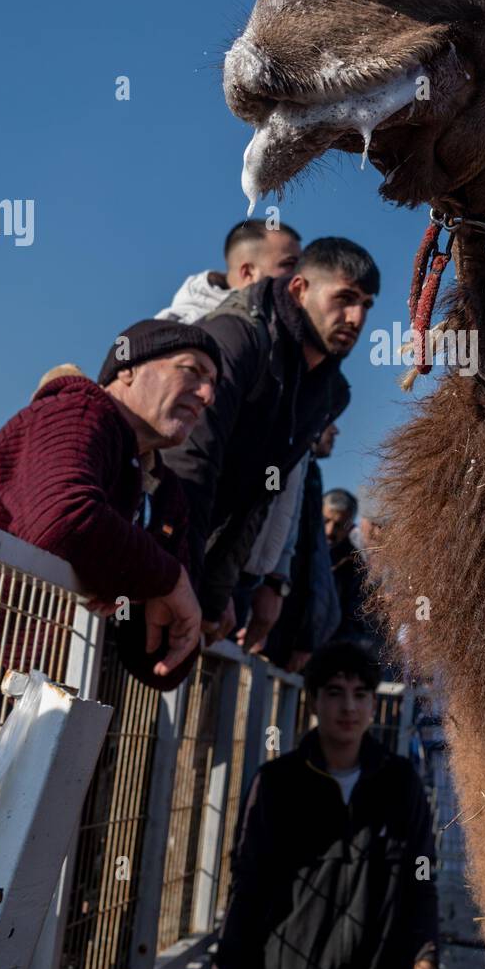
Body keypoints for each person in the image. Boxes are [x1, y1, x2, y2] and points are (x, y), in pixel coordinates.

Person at [0, 319, 222, 690]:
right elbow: (63, 520)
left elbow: (158, 661)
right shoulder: (75, 412)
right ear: (129, 369)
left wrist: (153, 593)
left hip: (4, 717)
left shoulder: (166, 494)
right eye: (192, 370)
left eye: (214, 384)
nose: (207, 394)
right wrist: (168, 580)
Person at [163, 238, 378, 641]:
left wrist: (213, 594)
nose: (356, 317)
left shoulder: (326, 390)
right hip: (152, 554)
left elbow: (258, 499)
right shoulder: (238, 336)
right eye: (345, 298)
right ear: (300, 289)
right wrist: (178, 581)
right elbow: (190, 464)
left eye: (367, 304)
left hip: (207, 575)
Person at [212, 642, 439, 969]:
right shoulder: (275, 783)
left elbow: (421, 888)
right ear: (313, 701)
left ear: (373, 705)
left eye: (360, 693)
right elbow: (247, 884)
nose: (348, 706)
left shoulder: (401, 784)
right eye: (335, 692)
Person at [157, 219, 307, 650]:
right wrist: (192, 577)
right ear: (247, 273)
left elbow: (288, 487)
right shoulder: (193, 339)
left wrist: (274, 577)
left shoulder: (285, 353)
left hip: (235, 574)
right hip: (189, 569)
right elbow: (188, 462)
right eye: (289, 265)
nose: (301, 281)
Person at [254, 422, 341, 672]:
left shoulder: (310, 472)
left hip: (281, 635)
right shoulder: (289, 460)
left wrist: (307, 639)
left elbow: (312, 566)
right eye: (329, 421)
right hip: (262, 627)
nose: (336, 431)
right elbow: (267, 530)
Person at [157, 219, 301, 323]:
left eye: (301, 265)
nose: (300, 274)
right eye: (289, 264)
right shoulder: (188, 331)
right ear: (248, 273)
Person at [324, 488, 389, 664]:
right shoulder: (345, 555)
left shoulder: (390, 561)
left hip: (361, 647)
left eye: (385, 527)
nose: (378, 533)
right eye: (374, 524)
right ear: (362, 521)